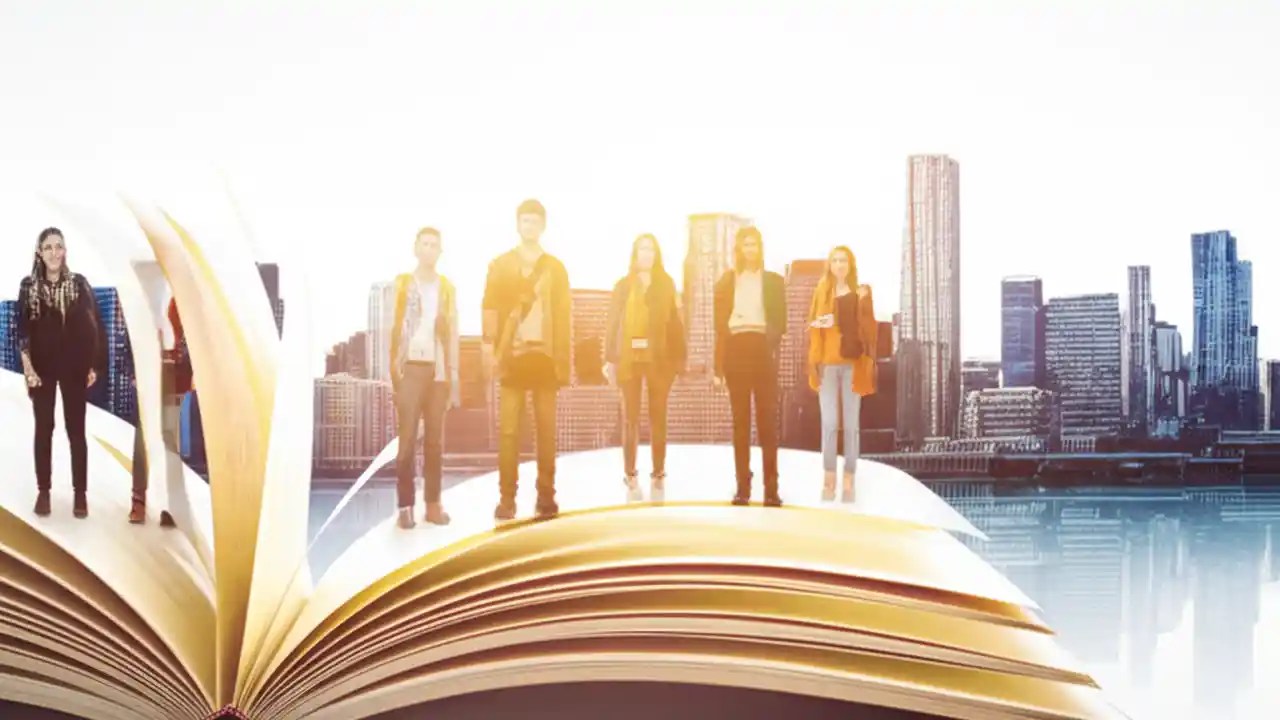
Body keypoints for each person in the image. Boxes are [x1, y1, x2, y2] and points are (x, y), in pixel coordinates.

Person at [482, 199, 571, 521]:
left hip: (545, 358)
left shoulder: (555, 268)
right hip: (512, 358)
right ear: (517, 225)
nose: (529, 227)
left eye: (534, 222)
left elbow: (564, 317)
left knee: (546, 432)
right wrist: (489, 349)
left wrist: (564, 363)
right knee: (508, 432)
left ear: (542, 226)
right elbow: (489, 307)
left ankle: (546, 497)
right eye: (524, 221)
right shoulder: (501, 265)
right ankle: (507, 498)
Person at [16, 228, 106, 519]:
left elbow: (95, 326)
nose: (54, 252)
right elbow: (21, 331)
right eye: (49, 247)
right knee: (44, 430)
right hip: (41, 368)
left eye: (59, 247)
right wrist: (28, 369)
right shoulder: (28, 287)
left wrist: (94, 365)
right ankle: (44, 491)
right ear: (39, 253)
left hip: (73, 365)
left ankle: (80, 495)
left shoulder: (79, 284)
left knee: (76, 430)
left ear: (65, 251)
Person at [604, 234, 686, 503]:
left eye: (651, 249)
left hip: (658, 358)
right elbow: (613, 323)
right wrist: (609, 358)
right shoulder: (622, 286)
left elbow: (675, 324)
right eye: (642, 249)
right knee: (630, 417)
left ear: (657, 254)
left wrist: (679, 359)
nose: (646, 254)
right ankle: (630, 473)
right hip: (629, 358)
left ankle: (659, 472)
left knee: (657, 416)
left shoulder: (666, 285)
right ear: (634, 254)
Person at [389, 227, 461, 529]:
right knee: (406, 442)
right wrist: (391, 368)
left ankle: (433, 505)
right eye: (425, 244)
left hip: (438, 370)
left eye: (435, 245)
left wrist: (454, 374)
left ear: (440, 252)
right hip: (411, 368)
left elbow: (453, 331)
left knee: (435, 442)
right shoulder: (403, 284)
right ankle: (405, 505)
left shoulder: (447, 288)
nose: (430, 249)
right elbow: (389, 325)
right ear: (416, 248)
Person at [713, 226, 786, 507]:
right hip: (736, 349)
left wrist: (767, 342)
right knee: (740, 423)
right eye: (745, 244)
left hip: (761, 349)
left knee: (768, 422)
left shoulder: (773, 282)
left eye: (754, 244)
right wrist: (718, 367)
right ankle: (743, 486)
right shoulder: (726, 282)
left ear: (760, 248)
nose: (750, 249)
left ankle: (771, 488)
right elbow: (719, 328)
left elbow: (781, 322)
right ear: (739, 250)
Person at [806, 245, 869, 503]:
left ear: (850, 265)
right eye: (835, 260)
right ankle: (829, 475)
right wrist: (814, 363)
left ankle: (849, 478)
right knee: (829, 424)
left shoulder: (860, 293)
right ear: (830, 265)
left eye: (844, 260)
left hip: (853, 365)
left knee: (852, 426)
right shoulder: (821, 292)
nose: (840, 265)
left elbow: (868, 330)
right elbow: (813, 327)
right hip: (828, 366)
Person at [129, 294, 187, 525]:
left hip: (175, 378)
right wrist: (134, 371)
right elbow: (130, 334)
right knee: (143, 436)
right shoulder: (142, 293)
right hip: (148, 375)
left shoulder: (182, 298)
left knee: (170, 440)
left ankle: (168, 505)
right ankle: (138, 500)